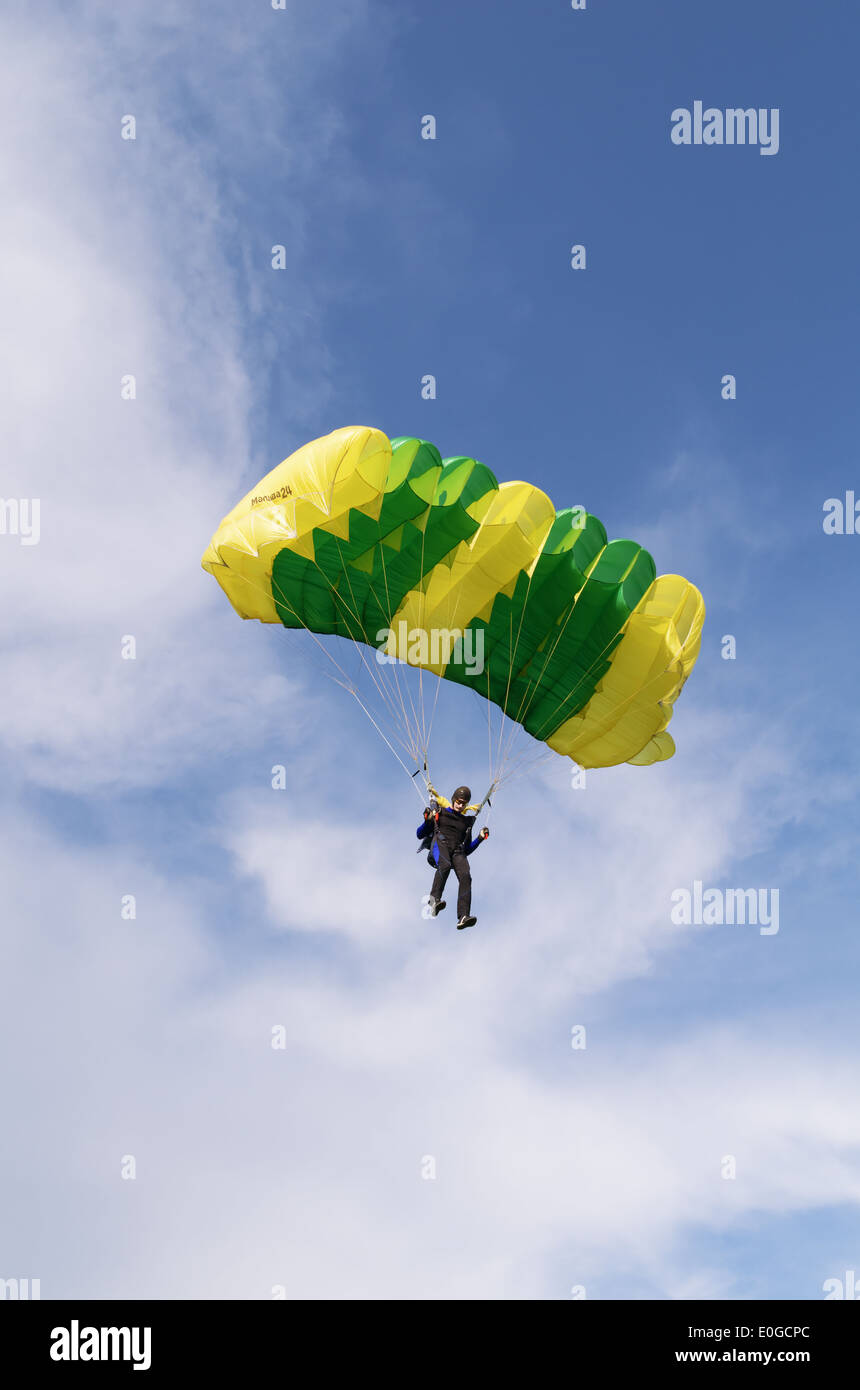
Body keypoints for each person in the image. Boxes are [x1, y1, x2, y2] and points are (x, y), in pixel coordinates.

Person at [416, 785, 489, 929]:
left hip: (458, 851)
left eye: (463, 803)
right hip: (441, 844)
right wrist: (427, 821)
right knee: (445, 865)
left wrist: (479, 839)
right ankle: (434, 900)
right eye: (458, 801)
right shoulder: (440, 812)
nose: (460, 805)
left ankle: (463, 916)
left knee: (466, 876)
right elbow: (419, 834)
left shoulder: (466, 823)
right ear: (454, 799)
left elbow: (467, 849)